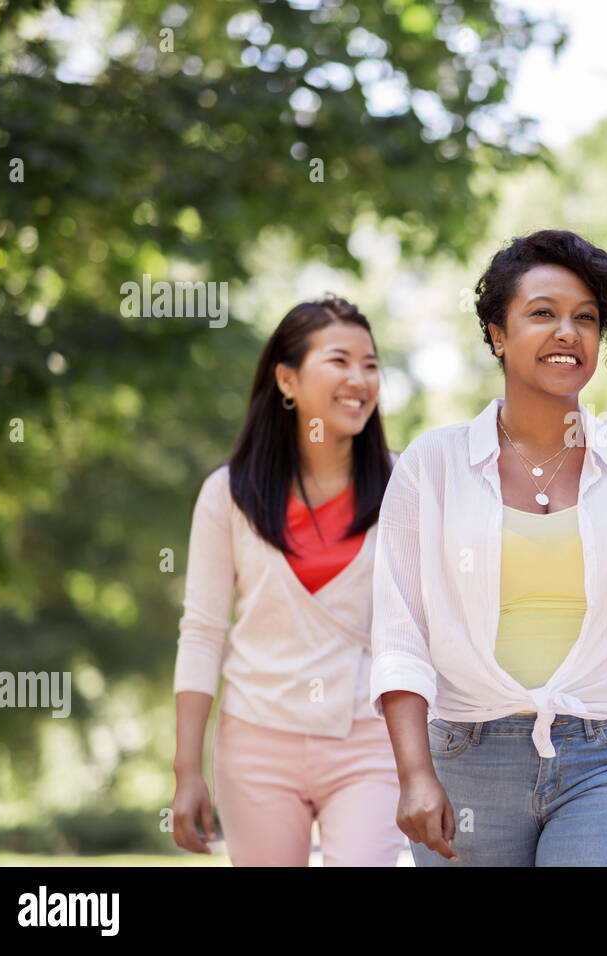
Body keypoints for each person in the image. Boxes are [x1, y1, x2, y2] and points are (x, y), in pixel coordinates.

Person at [370, 229, 607, 867]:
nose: (568, 332)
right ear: (497, 333)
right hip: (466, 755)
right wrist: (414, 773)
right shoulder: (434, 463)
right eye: (543, 313)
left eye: (586, 319)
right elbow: (401, 638)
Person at [171, 296, 405, 866]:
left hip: (369, 743)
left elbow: (426, 625)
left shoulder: (402, 484)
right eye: (340, 360)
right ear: (287, 378)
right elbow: (203, 632)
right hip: (256, 743)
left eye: (370, 364)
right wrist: (185, 771)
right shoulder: (228, 495)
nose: (360, 379)